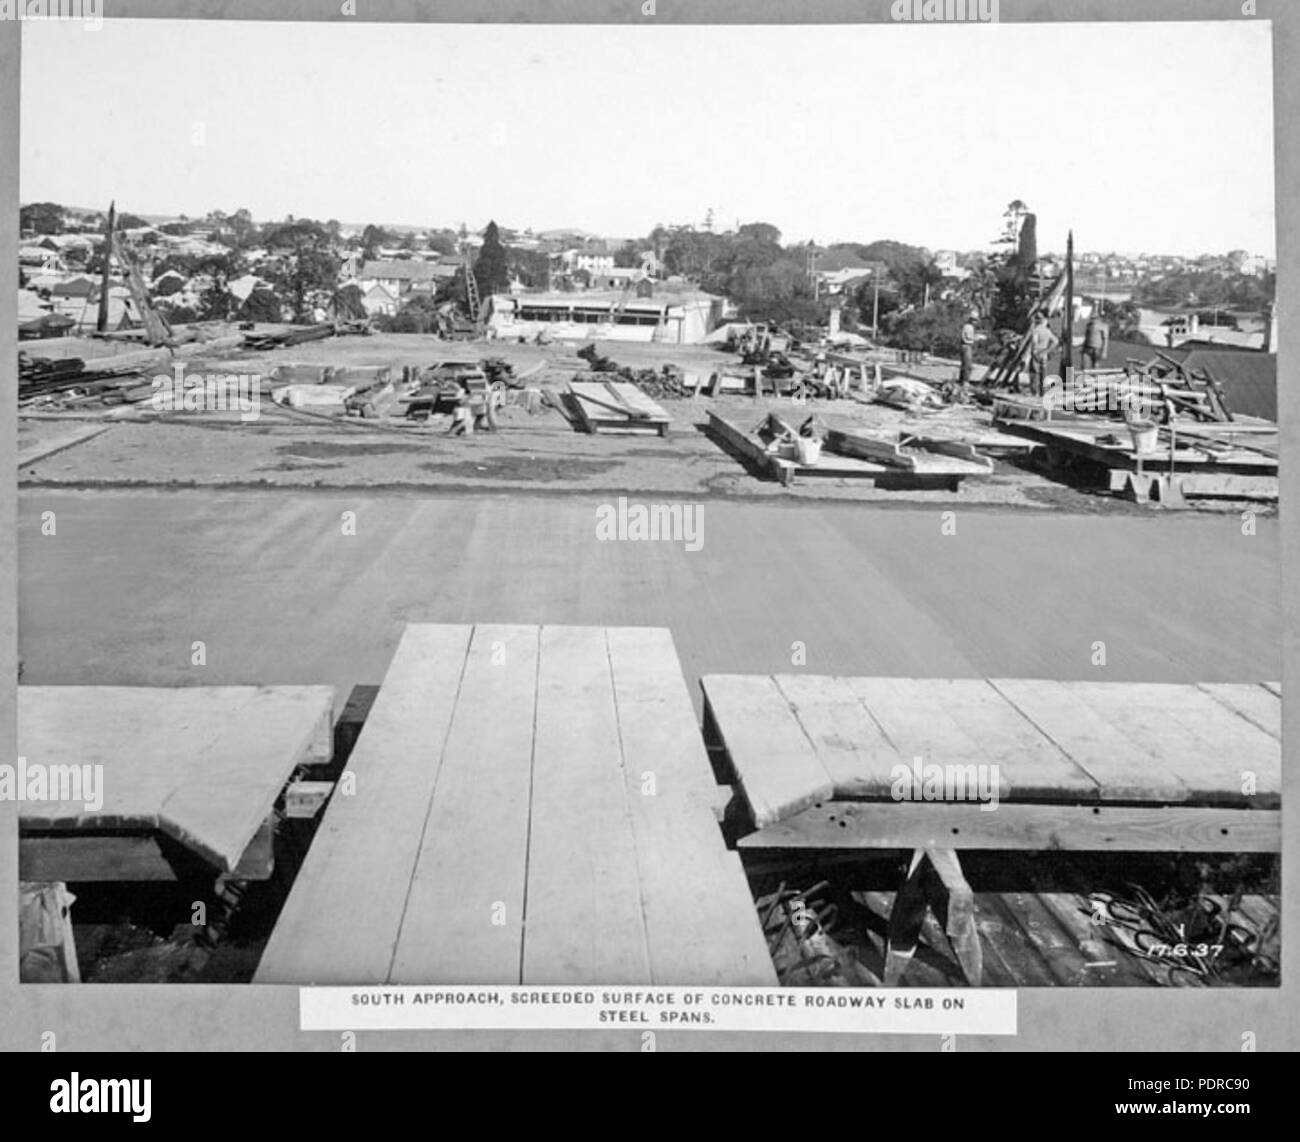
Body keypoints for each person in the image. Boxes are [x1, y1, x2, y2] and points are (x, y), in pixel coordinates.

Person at [1027, 312, 1059, 397]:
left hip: (1037, 353)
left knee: (1034, 374)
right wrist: (1047, 350)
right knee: (1043, 374)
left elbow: (1034, 342)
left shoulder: (1036, 330)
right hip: (1044, 354)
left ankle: (1035, 393)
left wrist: (1034, 352)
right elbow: (1055, 341)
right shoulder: (1047, 331)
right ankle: (1042, 393)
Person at [959, 310, 977, 390]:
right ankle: (965, 382)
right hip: (966, 346)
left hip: (966, 346)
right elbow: (967, 338)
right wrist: (976, 338)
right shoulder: (968, 327)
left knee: (965, 364)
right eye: (975, 320)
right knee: (968, 365)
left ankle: (962, 381)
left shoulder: (968, 326)